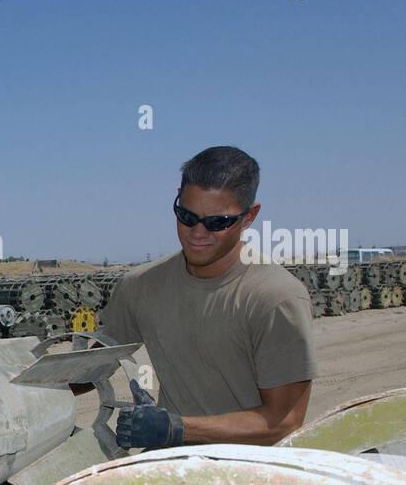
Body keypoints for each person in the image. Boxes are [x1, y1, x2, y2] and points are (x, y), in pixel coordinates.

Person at [102, 146, 317, 449]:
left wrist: (175, 429)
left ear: (250, 216)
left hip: (249, 477)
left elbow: (284, 421)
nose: (197, 232)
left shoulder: (276, 298)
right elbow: (90, 366)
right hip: (171, 472)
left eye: (217, 222)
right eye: (186, 216)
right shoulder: (140, 286)